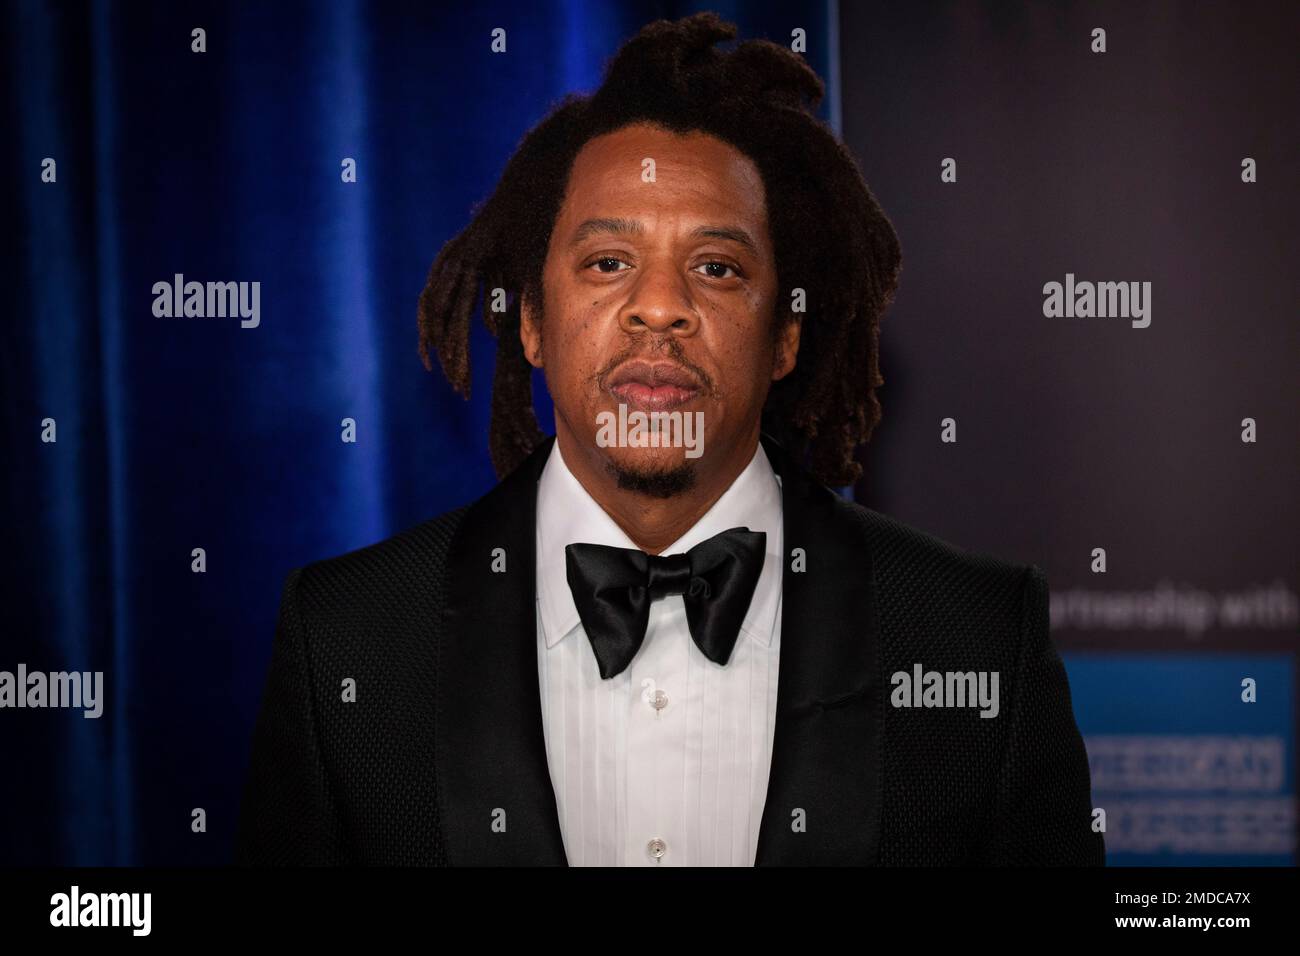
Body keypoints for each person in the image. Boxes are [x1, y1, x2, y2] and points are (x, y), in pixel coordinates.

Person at [234, 12, 1103, 866]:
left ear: (785, 337)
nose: (659, 306)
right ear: (532, 320)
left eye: (716, 267)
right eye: (608, 263)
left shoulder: (974, 639)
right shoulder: (346, 639)